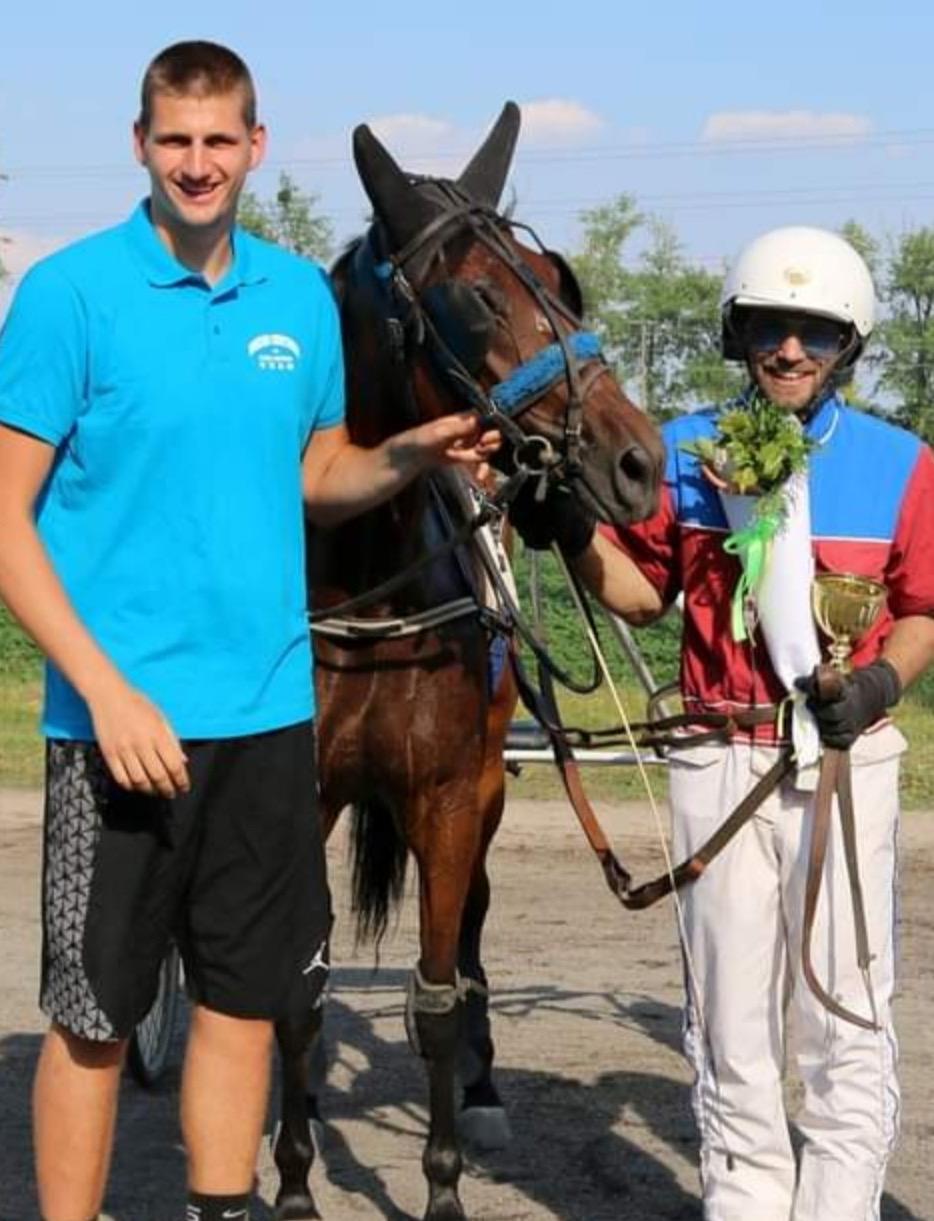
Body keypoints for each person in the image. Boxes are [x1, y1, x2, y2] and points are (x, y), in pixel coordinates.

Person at [0, 40, 498, 1221]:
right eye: (175, 140)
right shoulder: (68, 295)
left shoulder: (295, 302)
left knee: (239, 1002)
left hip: (274, 720)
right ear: (140, 145)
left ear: (255, 148)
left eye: (219, 140)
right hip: (119, 730)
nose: (197, 162)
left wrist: (407, 456)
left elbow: (314, 471)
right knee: (93, 1022)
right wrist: (105, 694)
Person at [511, 226, 934, 1220]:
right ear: (737, 335)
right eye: (768, 329)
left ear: (849, 348)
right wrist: (569, 528)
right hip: (713, 754)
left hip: (842, 759)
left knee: (845, 1015)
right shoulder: (682, 451)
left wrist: (875, 687)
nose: (788, 351)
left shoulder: (902, 464)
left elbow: (917, 610)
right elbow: (640, 596)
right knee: (729, 1022)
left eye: (814, 335)